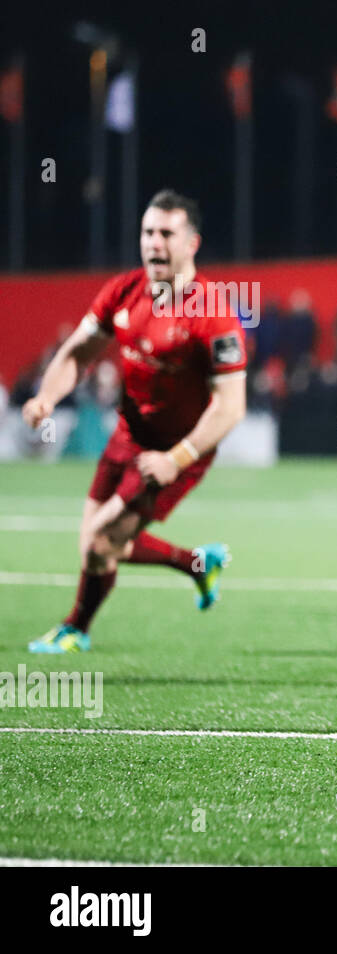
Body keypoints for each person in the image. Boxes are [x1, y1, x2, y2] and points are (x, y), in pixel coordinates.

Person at [21, 190, 247, 653]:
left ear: (192, 244)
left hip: (179, 451)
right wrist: (46, 395)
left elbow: (230, 406)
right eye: (148, 232)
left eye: (167, 233)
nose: (154, 243)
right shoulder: (122, 292)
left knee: (101, 542)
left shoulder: (215, 315)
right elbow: (78, 353)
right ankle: (198, 564)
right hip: (127, 437)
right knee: (97, 543)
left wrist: (177, 458)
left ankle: (75, 629)